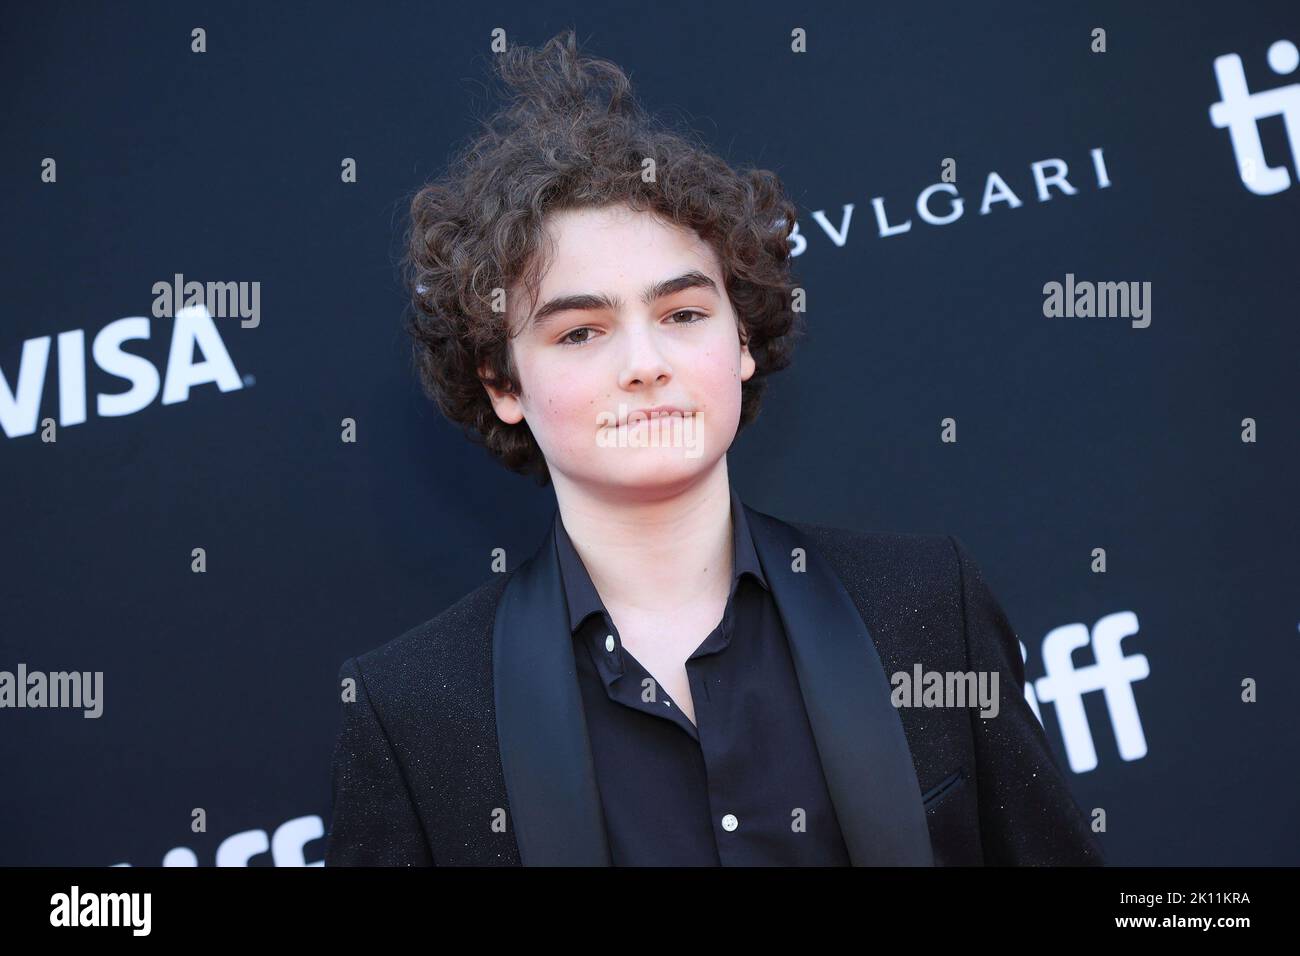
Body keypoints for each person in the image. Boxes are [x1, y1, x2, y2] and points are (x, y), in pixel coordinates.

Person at [324, 28, 1103, 866]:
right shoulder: (418, 710)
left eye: (683, 315)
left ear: (743, 340)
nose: (644, 366)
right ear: (503, 384)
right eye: (581, 332)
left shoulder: (923, 608)